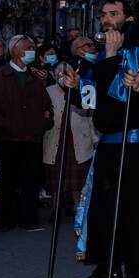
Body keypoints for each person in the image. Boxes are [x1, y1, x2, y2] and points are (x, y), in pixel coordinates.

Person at [74, 0, 139, 278]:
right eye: (103, 15)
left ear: (129, 18)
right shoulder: (99, 56)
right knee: (103, 207)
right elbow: (93, 100)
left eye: (114, 14)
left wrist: (111, 57)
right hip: (108, 143)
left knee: (134, 209)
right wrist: (75, 86)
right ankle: (106, 264)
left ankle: (135, 271)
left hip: (134, 142)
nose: (107, 20)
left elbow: (127, 98)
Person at [0, 35, 53, 231]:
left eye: (32, 47)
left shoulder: (35, 78)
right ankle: (7, 218)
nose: (32, 51)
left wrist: (43, 122)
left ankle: (28, 217)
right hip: (8, 137)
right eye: (28, 47)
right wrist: (4, 123)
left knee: (31, 180)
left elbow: (47, 107)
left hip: (32, 138)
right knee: (8, 180)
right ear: (16, 50)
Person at [42, 58, 96, 222]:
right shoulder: (48, 91)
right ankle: (56, 208)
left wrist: (94, 136)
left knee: (77, 180)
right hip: (55, 139)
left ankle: (76, 207)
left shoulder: (81, 90)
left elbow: (90, 114)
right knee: (55, 178)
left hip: (78, 139)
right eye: (59, 73)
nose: (63, 76)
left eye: (66, 73)